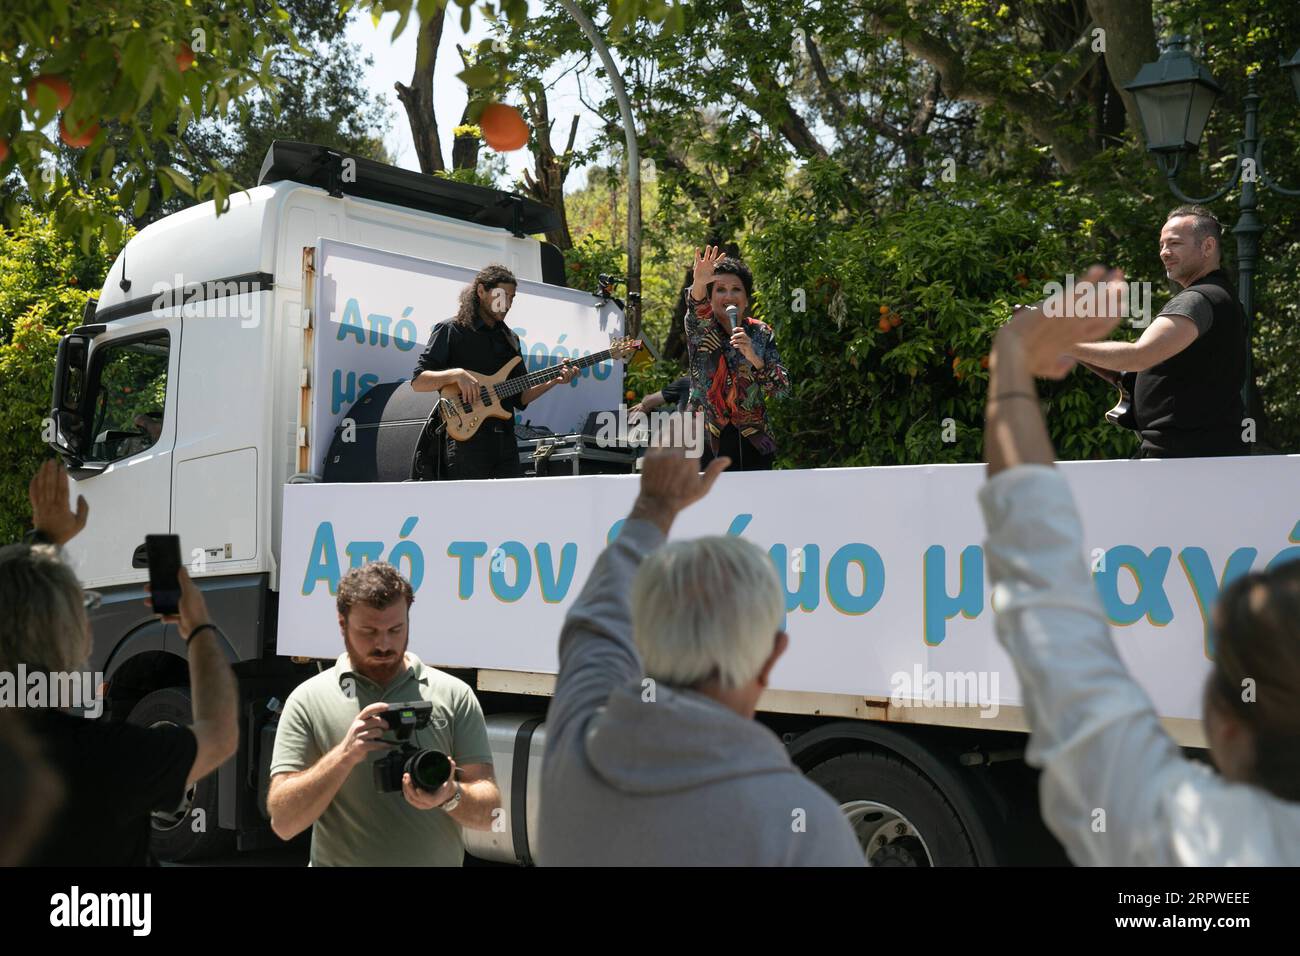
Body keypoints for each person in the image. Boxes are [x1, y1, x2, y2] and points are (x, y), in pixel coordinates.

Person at [982, 266, 1300, 864]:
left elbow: (1140, 352)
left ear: (1226, 728)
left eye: (1177, 237)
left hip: (1189, 478)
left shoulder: (1202, 299)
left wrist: (1020, 361)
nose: (1165, 246)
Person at [538, 443, 865, 866]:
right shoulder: (804, 827)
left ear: (645, 635)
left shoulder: (576, 741)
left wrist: (654, 505)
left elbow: (596, 627)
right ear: (772, 656)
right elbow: (596, 629)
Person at [3, 460, 239, 866]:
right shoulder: (105, 758)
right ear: (72, 638)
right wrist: (198, 629)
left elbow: (15, 604)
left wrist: (44, 541)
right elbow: (218, 735)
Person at [267, 561, 501, 866]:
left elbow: (492, 816)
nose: (384, 644)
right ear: (342, 624)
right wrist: (344, 756)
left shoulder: (454, 695)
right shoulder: (308, 700)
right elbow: (283, 823)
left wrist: (450, 795)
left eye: (396, 629)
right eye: (369, 631)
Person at [1066, 205, 1248, 458]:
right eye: (1162, 244)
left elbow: (1139, 356)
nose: (1164, 252)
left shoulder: (1197, 299)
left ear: (1207, 246)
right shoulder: (1221, 297)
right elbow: (1139, 369)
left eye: (1174, 243)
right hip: (1200, 455)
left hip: (1183, 459)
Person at [410, 264, 576, 479]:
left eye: (512, 298)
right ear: (481, 291)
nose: (506, 303)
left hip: (505, 441)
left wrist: (554, 380)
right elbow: (418, 381)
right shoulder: (451, 329)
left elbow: (521, 397)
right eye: (501, 295)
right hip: (465, 441)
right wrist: (457, 374)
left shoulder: (510, 339)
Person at [684, 247, 790, 470]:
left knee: (753, 504)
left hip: (753, 440)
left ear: (746, 299)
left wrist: (753, 357)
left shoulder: (760, 333)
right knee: (707, 504)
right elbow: (696, 308)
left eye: (736, 290)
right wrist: (700, 283)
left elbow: (781, 390)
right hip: (704, 439)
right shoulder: (701, 329)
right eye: (720, 290)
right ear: (710, 299)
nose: (729, 296)